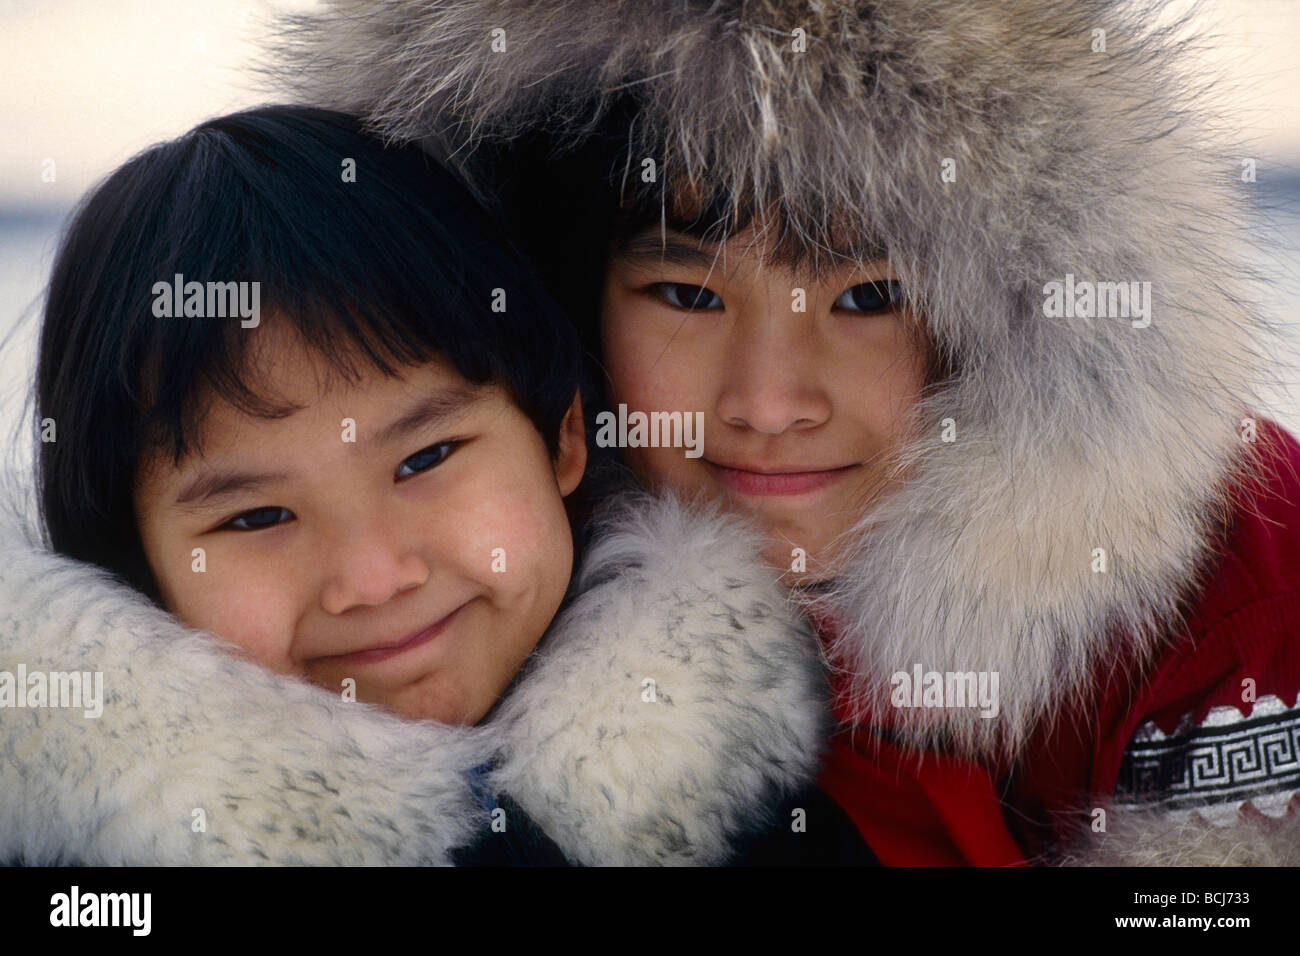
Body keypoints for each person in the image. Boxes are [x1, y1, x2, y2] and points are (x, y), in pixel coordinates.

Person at [277, 0, 1300, 864]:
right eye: (684, 292)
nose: (767, 403)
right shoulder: (460, 573)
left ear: (1008, 318)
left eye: (866, 299)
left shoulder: (1227, 566)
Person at [0, 105, 874, 866]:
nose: (375, 576)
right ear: (132, 563)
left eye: (424, 460)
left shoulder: (764, 820)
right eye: (256, 515)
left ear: (562, 436)